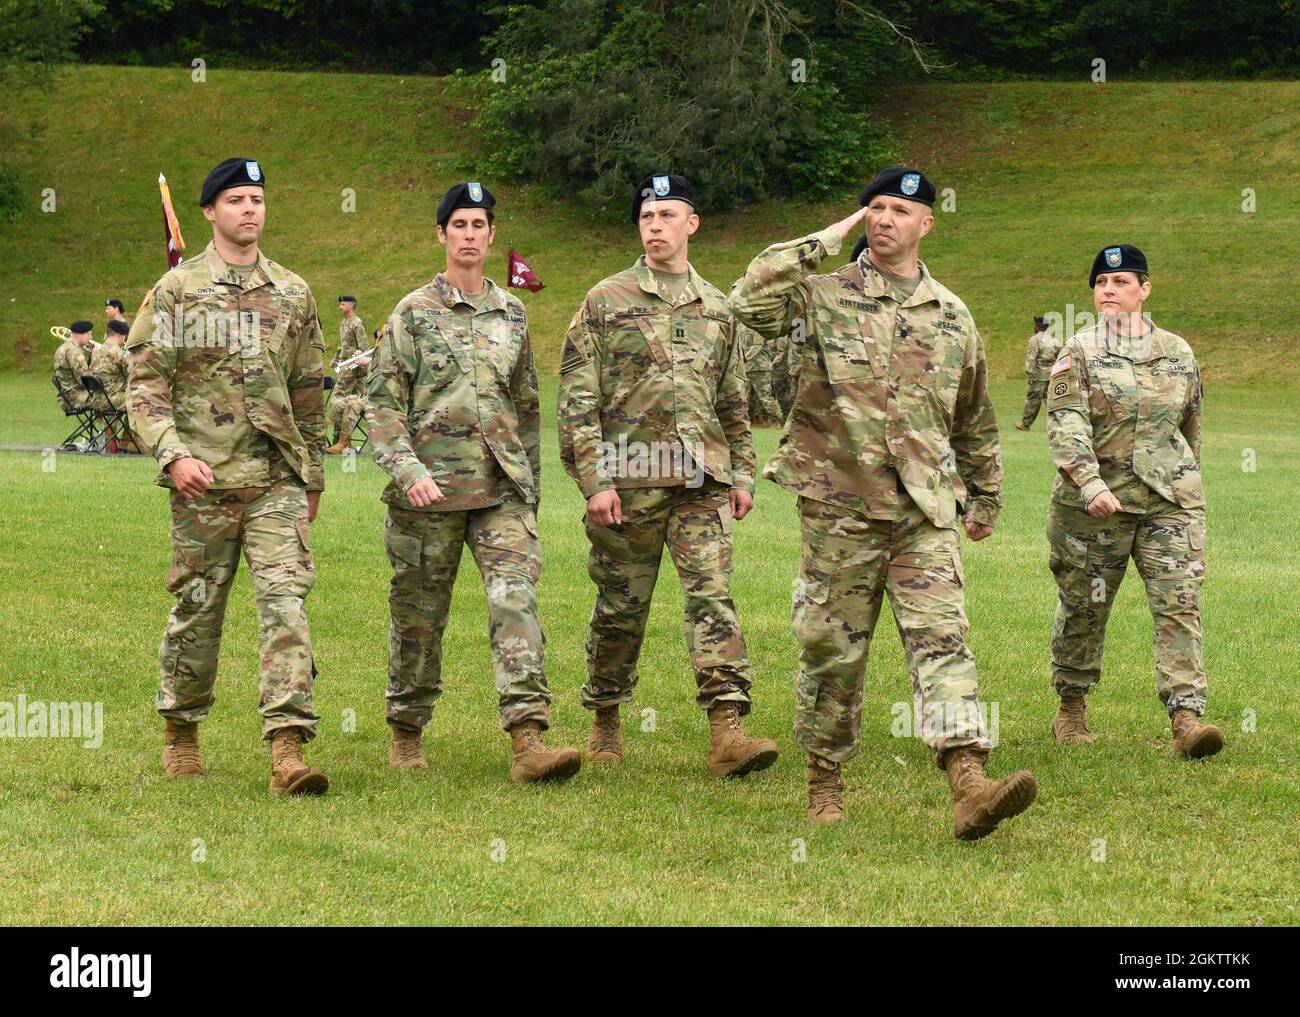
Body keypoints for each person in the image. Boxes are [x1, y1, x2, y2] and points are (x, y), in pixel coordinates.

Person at [731, 167, 1037, 838]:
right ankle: (825, 776)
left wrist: (984, 493)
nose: (885, 218)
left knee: (944, 640)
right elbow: (750, 296)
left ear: (928, 223)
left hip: (923, 511)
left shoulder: (951, 314)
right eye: (875, 207)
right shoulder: (821, 295)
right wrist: (830, 234)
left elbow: (974, 414)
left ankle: (968, 780)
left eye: (900, 209)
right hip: (840, 506)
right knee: (832, 650)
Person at [557, 173, 778, 779]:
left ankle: (727, 727)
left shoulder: (718, 308)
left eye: (666, 215)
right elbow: (578, 398)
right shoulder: (606, 300)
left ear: (692, 224)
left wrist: (742, 473)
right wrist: (594, 481)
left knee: (712, 597)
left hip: (700, 481)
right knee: (622, 609)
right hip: (628, 482)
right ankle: (605, 712)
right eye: (647, 217)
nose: (655, 226)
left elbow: (734, 399)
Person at [126, 156, 330, 795]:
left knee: (285, 604)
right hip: (204, 483)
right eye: (236, 200)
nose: (250, 210)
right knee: (197, 610)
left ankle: (287, 748)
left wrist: (312, 472)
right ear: (210, 211)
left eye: (258, 199)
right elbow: (144, 385)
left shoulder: (293, 292)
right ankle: (182, 727)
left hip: (276, 482)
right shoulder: (178, 292)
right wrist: (171, 454)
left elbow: (308, 391)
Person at [367, 181, 580, 784]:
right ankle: (407, 729)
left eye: (478, 225)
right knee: (419, 613)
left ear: (490, 235)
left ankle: (528, 737)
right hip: (427, 493)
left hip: (500, 491)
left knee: (515, 599)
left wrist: (530, 489)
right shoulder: (413, 312)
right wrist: (408, 473)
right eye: (457, 224)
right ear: (441, 234)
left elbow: (527, 404)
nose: (468, 235)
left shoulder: (512, 312)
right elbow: (380, 404)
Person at [1045, 244, 1222, 758]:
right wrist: (1088, 480)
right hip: (1096, 504)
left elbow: (1190, 425)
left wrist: (1186, 479)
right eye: (1101, 283)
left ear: (1144, 289)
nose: (1108, 291)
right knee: (1086, 605)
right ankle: (1071, 706)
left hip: (1170, 501)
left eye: (1120, 282)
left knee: (1179, 603)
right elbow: (1066, 421)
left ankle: (1187, 718)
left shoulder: (1178, 351)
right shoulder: (1078, 351)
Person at [326, 295, 368, 454]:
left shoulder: (357, 324)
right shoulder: (344, 323)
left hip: (353, 369)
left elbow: (364, 347)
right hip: (344, 367)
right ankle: (341, 442)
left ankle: (341, 441)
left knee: (337, 399)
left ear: (351, 305)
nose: (340, 307)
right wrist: (336, 358)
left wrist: (359, 364)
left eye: (342, 304)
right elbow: (343, 344)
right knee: (337, 402)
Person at [1015, 316, 1060, 430]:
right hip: (1053, 374)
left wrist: (1030, 374)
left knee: (1033, 400)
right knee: (1053, 400)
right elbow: (1059, 356)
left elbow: (1032, 357)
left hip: (1039, 375)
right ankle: (1059, 424)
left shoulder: (1035, 339)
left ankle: (1025, 424)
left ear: (1037, 326)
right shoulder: (1054, 340)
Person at [54, 321, 104, 412]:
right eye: (88, 334)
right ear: (78, 334)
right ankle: (111, 426)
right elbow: (86, 381)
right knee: (112, 398)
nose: (91, 338)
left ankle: (108, 426)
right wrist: (95, 358)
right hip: (76, 397)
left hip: (67, 396)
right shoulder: (74, 351)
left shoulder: (62, 348)